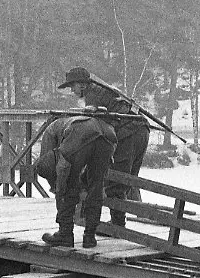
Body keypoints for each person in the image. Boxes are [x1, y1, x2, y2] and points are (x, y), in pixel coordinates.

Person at [58, 67, 150, 228]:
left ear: (82, 84)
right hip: (141, 130)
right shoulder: (103, 90)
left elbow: (91, 127)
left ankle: (117, 225)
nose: (71, 91)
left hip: (128, 134)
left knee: (116, 179)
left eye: (72, 86)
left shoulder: (93, 95)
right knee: (128, 179)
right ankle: (119, 219)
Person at [34, 116, 117, 248]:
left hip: (80, 135)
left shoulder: (50, 132)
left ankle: (65, 234)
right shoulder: (68, 123)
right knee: (97, 186)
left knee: (67, 184)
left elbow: (47, 165)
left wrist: (57, 188)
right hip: (108, 134)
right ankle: (90, 236)